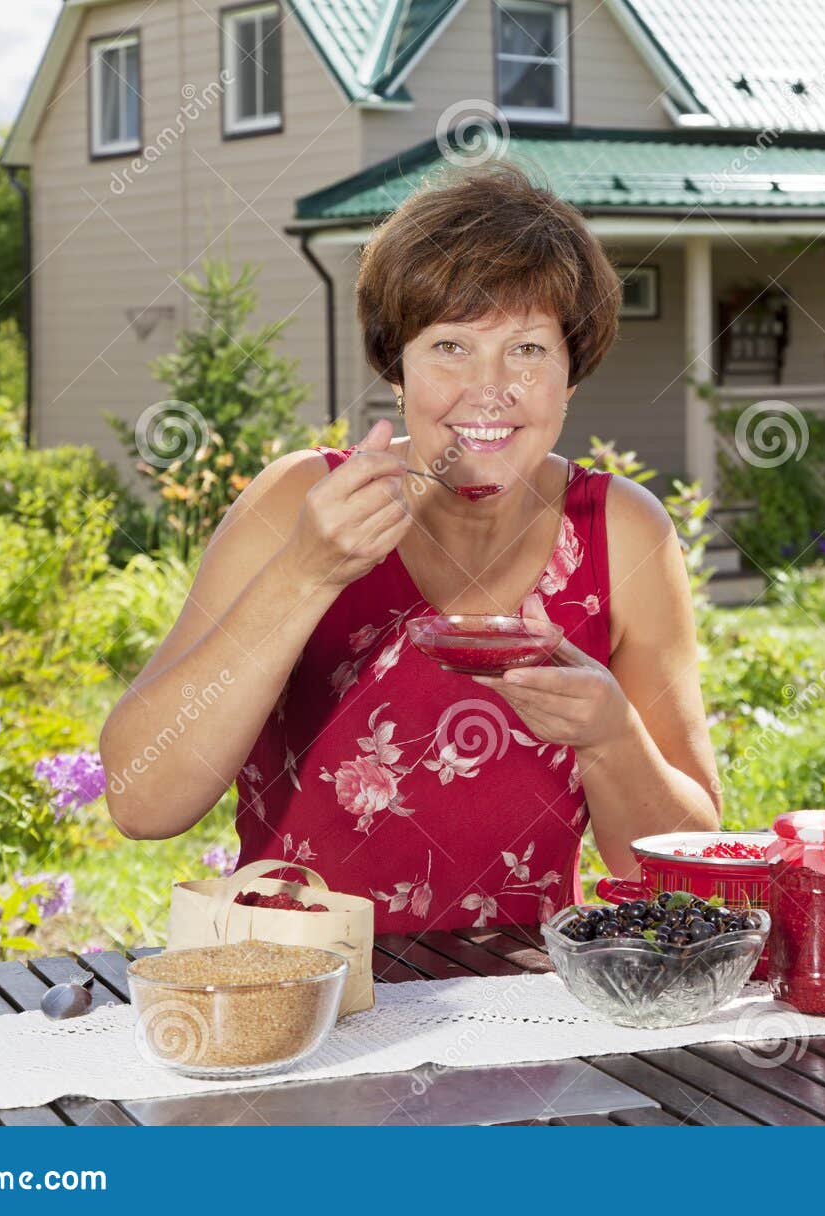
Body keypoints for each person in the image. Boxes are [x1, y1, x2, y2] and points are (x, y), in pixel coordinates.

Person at [99, 162, 720, 931]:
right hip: (300, 1003)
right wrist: (304, 573)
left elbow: (693, 878)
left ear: (571, 373)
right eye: (450, 346)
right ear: (397, 368)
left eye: (527, 349)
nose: (488, 389)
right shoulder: (300, 505)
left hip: (519, 1011)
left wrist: (611, 735)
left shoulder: (621, 531)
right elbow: (141, 799)